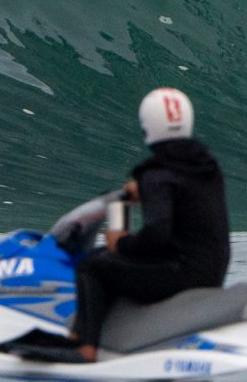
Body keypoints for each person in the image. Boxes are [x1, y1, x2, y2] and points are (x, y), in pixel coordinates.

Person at [67, 87, 232, 362]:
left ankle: (85, 346)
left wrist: (121, 242)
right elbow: (184, 198)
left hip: (181, 275)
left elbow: (158, 234)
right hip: (213, 272)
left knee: (92, 266)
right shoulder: (205, 167)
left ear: (148, 127)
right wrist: (145, 190)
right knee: (107, 260)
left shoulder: (157, 176)